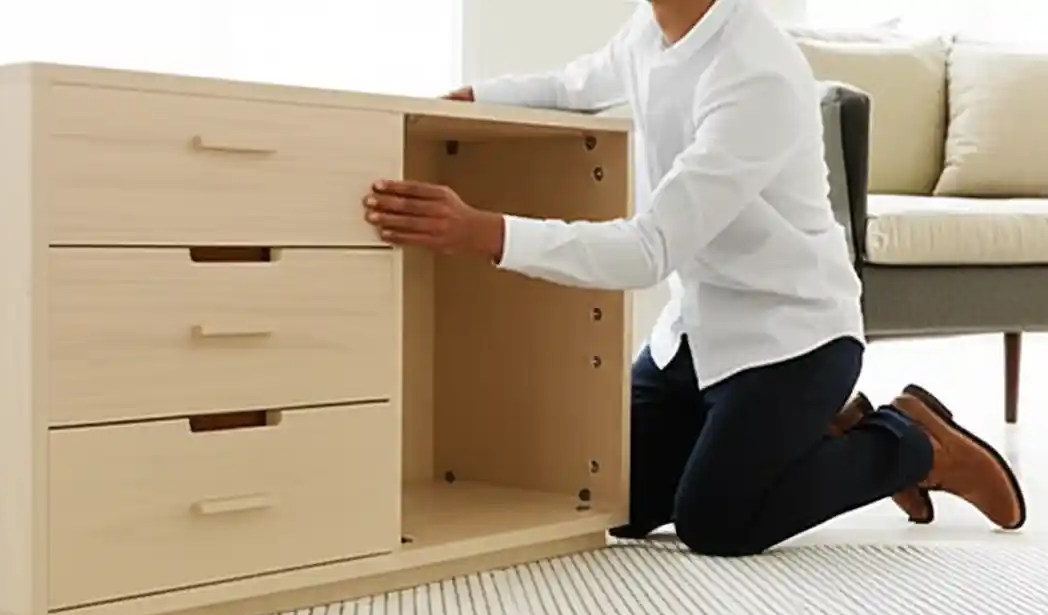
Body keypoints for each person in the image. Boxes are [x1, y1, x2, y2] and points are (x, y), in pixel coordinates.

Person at [361, 0, 1026, 557]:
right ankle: (811, 433)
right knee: (609, 504)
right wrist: (469, 101)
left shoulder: (753, 70)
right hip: (695, 336)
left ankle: (906, 444)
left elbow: (648, 249)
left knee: (717, 522)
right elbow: (573, 86)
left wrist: (485, 233)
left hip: (792, 339)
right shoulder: (651, 32)